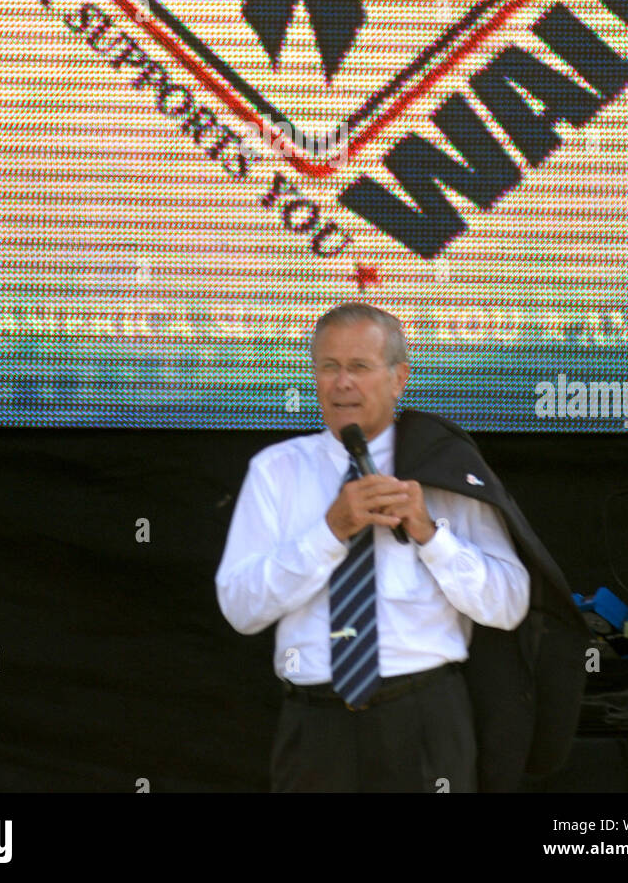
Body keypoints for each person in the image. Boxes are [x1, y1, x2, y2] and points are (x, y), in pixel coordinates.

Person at [215, 302, 588, 792]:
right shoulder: (276, 470)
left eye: (359, 367)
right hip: (316, 728)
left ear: (398, 378)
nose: (342, 383)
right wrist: (329, 532)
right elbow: (241, 608)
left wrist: (432, 536)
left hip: (424, 719)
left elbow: (509, 605)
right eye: (329, 367)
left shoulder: (444, 467)